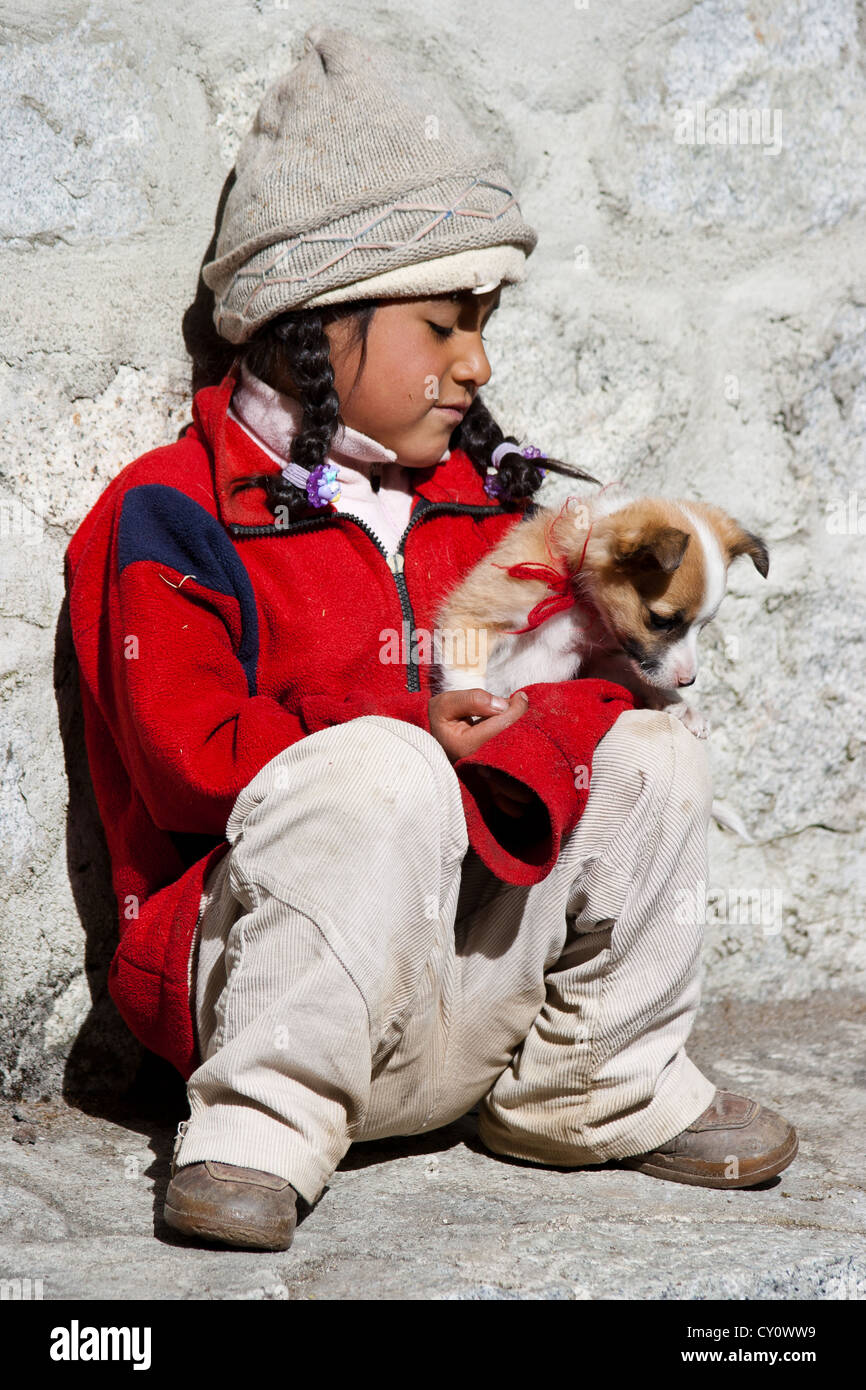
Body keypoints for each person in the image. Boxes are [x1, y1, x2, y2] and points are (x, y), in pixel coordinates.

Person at [64, 25, 797, 1254]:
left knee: (659, 749)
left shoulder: (487, 516)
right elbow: (188, 762)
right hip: (274, 1004)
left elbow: (574, 714)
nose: (477, 362)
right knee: (378, 765)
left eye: (485, 320)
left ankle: (590, 1084)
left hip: (468, 1012)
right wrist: (408, 725)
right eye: (443, 325)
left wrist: (567, 702)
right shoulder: (171, 514)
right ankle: (260, 1131)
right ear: (312, 322)